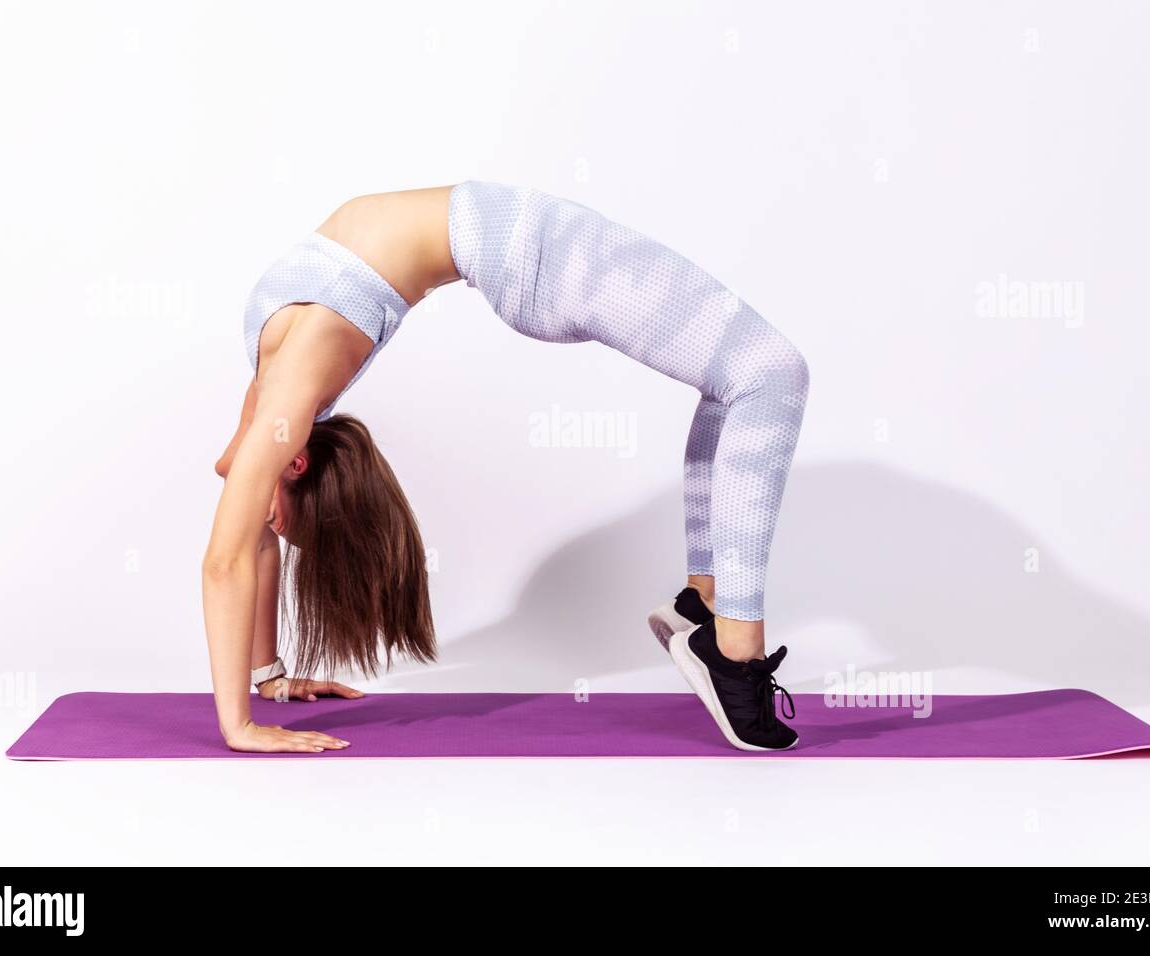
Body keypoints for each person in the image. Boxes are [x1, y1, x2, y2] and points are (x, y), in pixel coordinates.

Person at [206, 181, 809, 754]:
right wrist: (264, 685)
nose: (268, 523)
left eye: (286, 526)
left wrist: (245, 715)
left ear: (296, 461)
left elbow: (227, 559)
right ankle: (729, 639)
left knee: (758, 378)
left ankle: (712, 617)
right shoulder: (281, 393)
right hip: (520, 244)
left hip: (528, 245)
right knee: (764, 375)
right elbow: (247, 537)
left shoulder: (286, 392)